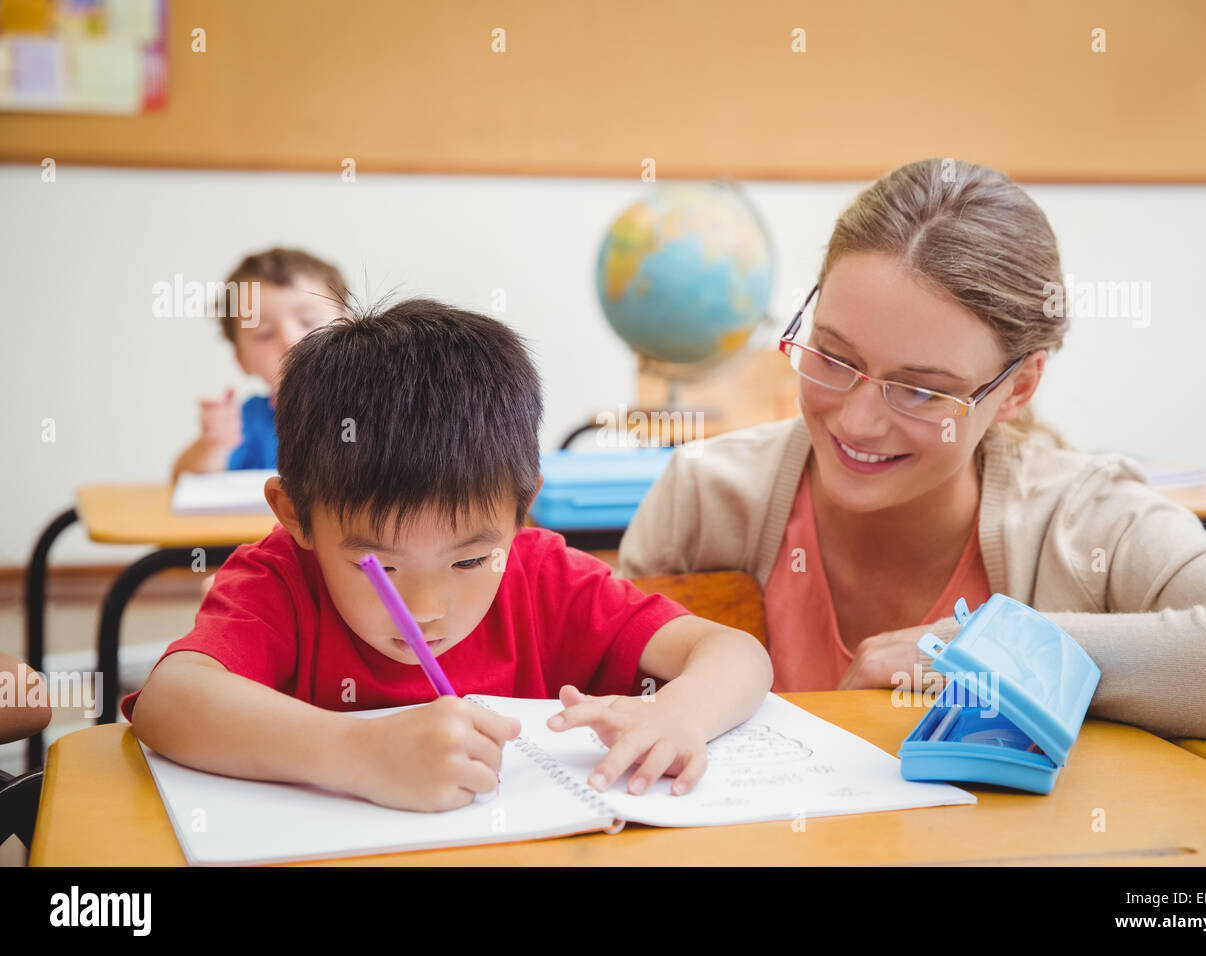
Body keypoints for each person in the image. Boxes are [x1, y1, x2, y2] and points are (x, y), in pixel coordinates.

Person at [618, 158, 1206, 748]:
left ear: (1017, 389)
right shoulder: (705, 497)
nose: (856, 420)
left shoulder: (1091, 526)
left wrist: (1004, 656)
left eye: (920, 391)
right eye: (831, 355)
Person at [127, 299, 773, 812]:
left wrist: (679, 714)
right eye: (377, 568)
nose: (426, 610)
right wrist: (357, 753)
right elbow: (170, 700)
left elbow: (736, 653)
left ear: (521, 512)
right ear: (295, 514)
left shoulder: (540, 574)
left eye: (468, 562)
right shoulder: (283, 579)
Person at [171, 247, 349, 480]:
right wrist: (214, 445)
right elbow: (184, 477)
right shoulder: (249, 422)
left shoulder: (380, 407)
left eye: (308, 321)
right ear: (243, 361)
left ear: (352, 328)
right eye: (264, 334)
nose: (290, 341)